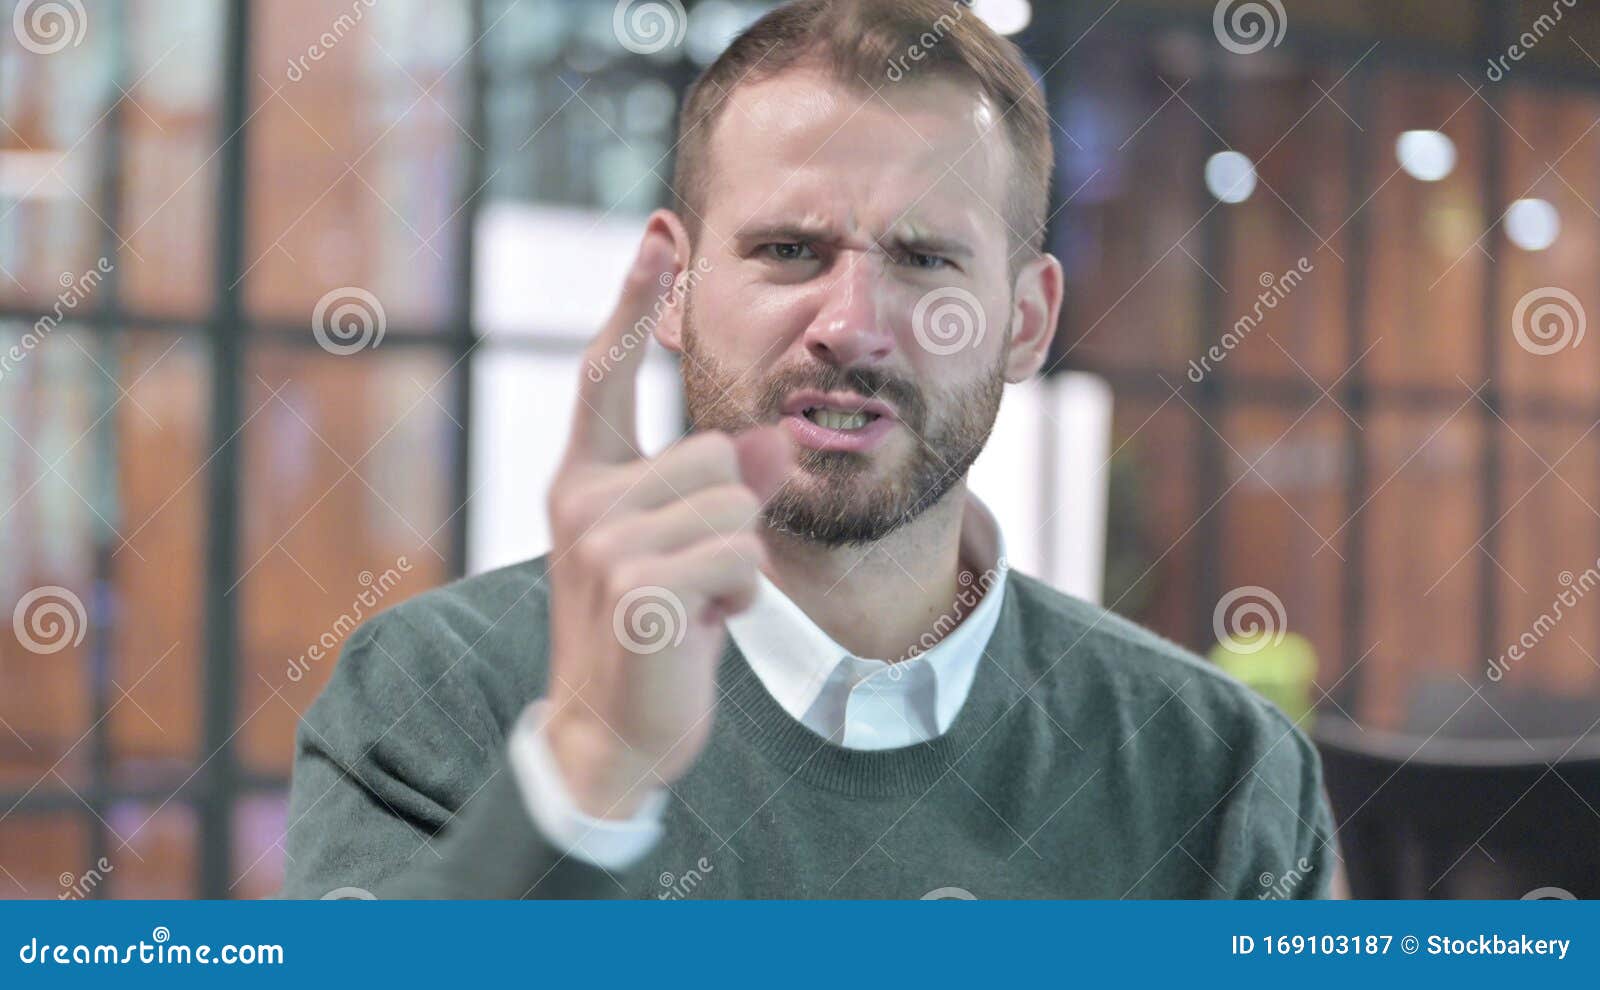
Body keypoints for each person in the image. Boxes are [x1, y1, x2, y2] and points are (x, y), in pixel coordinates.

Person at [281, 0, 1338, 899]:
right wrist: (587, 774)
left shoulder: (1222, 776)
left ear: (1024, 322)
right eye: (790, 250)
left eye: (924, 259)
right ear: (676, 290)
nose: (853, 322)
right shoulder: (430, 696)